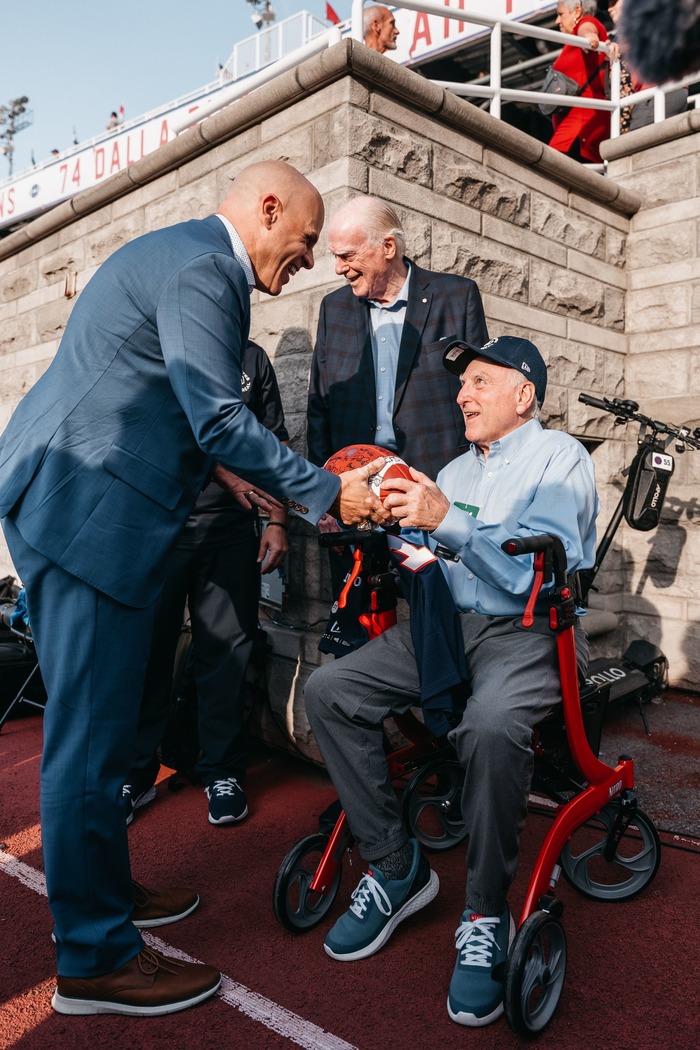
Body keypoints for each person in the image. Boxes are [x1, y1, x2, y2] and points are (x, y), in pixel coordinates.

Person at [0, 159, 390, 1018]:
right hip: (86, 514)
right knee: (90, 743)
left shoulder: (183, 258)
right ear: (267, 207)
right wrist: (327, 492)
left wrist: (252, 484)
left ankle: (102, 897)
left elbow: (172, 410)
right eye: (306, 241)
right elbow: (216, 415)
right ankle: (95, 960)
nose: (310, 262)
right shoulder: (206, 269)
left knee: (103, 734)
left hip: (80, 506)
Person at [304, 335, 598, 1028]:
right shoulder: (454, 470)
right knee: (329, 691)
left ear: (523, 394)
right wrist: (374, 521)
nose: (462, 394)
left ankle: (485, 912)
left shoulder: (561, 459)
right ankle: (394, 864)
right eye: (462, 383)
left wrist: (448, 522)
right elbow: (427, 555)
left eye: (478, 382)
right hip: (447, 627)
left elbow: (537, 576)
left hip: (533, 631)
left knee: (491, 725)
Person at [124, 341, 290, 828]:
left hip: (230, 531)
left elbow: (274, 446)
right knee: (148, 654)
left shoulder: (252, 359)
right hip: (161, 527)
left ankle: (224, 771)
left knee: (226, 656)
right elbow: (155, 432)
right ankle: (136, 773)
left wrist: (277, 520)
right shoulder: (167, 349)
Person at [307, 195, 488, 482]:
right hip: (356, 480)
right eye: (336, 257)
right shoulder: (333, 308)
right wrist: (323, 485)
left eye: (347, 256)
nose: (339, 268)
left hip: (439, 475)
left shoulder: (457, 297)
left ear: (388, 247)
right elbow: (319, 405)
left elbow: (482, 392)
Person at [607, 0, 687, 133]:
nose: (610, 9)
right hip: (647, 97)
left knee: (633, 142)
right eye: (608, 5)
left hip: (662, 92)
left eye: (615, 2)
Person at [548, 0, 610, 163]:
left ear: (577, 11)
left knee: (551, 164)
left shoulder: (586, 22)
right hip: (577, 122)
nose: (557, 21)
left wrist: (588, 36)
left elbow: (587, 28)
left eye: (561, 14)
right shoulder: (571, 43)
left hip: (582, 121)